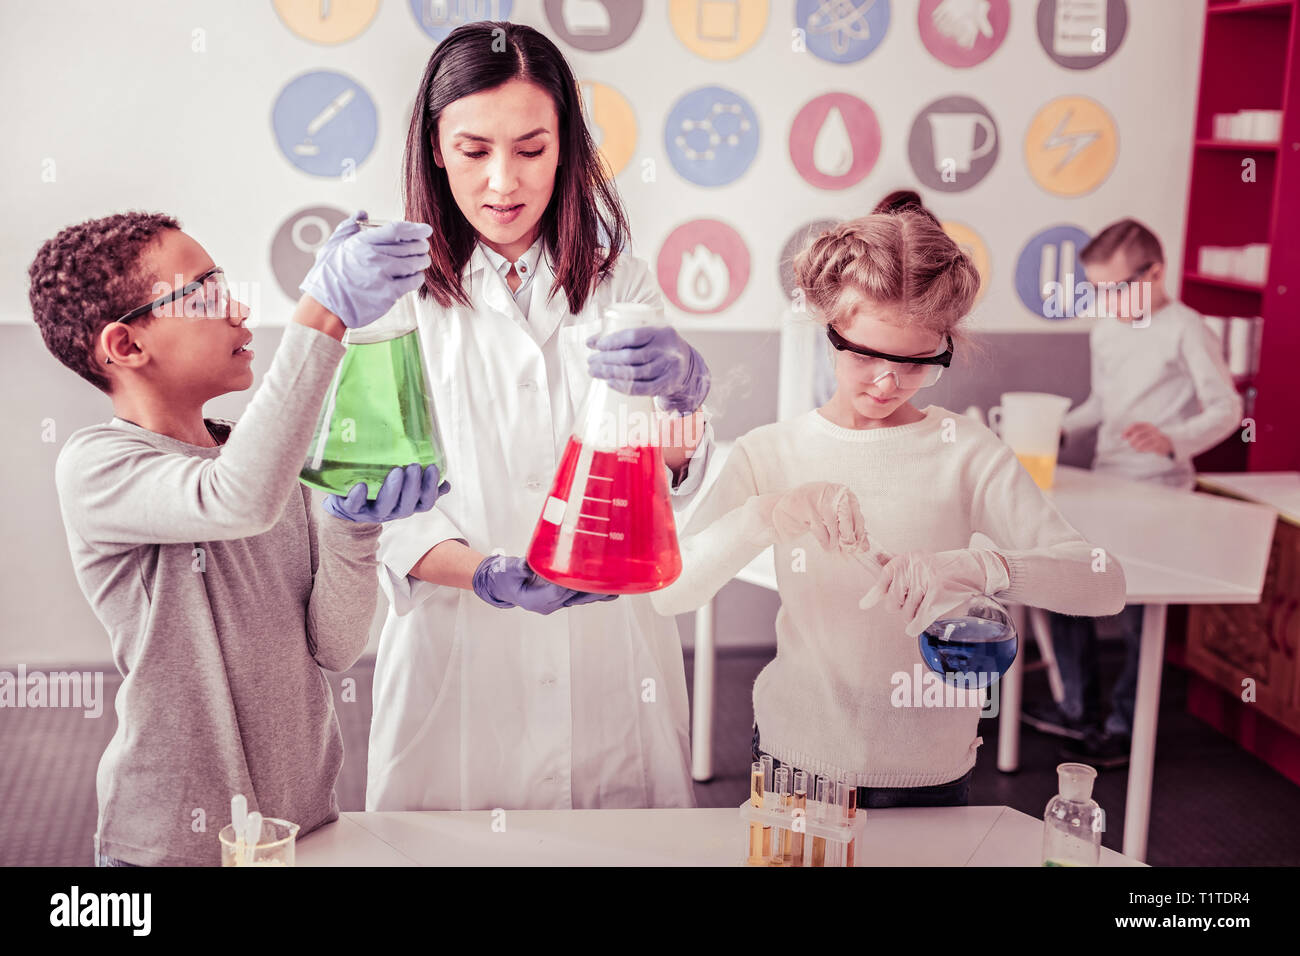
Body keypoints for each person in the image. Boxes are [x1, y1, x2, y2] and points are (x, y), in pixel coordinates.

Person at [652, 191, 1127, 808]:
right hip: (799, 764)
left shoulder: (966, 450)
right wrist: (761, 516)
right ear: (829, 328)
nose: (886, 382)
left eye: (917, 362)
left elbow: (1104, 583)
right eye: (867, 355)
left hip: (931, 772)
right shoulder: (771, 452)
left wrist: (983, 567)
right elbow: (669, 593)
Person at [367, 21, 714, 811]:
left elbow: (658, 474)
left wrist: (684, 400)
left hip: (609, 652)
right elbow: (383, 504)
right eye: (473, 150)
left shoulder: (619, 282)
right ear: (433, 147)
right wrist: (489, 577)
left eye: (531, 149)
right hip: (456, 654)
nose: (502, 182)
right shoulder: (395, 296)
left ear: (566, 146)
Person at [31, 209, 444, 865]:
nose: (240, 308)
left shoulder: (265, 465)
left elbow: (335, 648)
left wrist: (351, 530)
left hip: (303, 829)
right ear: (127, 347)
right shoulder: (96, 466)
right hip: (169, 847)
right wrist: (324, 308)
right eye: (206, 294)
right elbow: (236, 499)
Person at [1025, 218, 1243, 766]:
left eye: (1117, 288)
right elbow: (1104, 404)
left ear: (1156, 272)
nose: (1108, 301)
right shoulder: (1108, 329)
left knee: (1142, 616)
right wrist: (1062, 427)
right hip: (1106, 480)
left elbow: (1227, 409)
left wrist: (1174, 440)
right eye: (1098, 290)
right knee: (1066, 584)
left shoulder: (1187, 329)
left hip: (1159, 488)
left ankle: (1124, 724)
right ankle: (1079, 708)